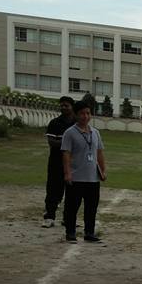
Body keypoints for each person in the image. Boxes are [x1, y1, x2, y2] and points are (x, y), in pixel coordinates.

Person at [61, 101, 107, 243]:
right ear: (76, 114)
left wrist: (103, 170)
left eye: (87, 113)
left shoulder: (95, 133)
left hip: (92, 178)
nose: (85, 116)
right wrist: (67, 173)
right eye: (82, 113)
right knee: (72, 207)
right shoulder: (70, 133)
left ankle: (89, 233)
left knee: (91, 208)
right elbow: (66, 154)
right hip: (76, 177)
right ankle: (70, 232)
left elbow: (99, 153)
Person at [43, 96, 75, 228]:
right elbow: (52, 142)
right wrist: (69, 144)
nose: (63, 108)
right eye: (61, 105)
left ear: (72, 107)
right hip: (56, 162)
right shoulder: (55, 123)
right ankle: (49, 216)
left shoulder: (77, 123)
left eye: (66, 105)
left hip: (73, 164)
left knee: (72, 192)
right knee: (53, 190)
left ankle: (68, 218)